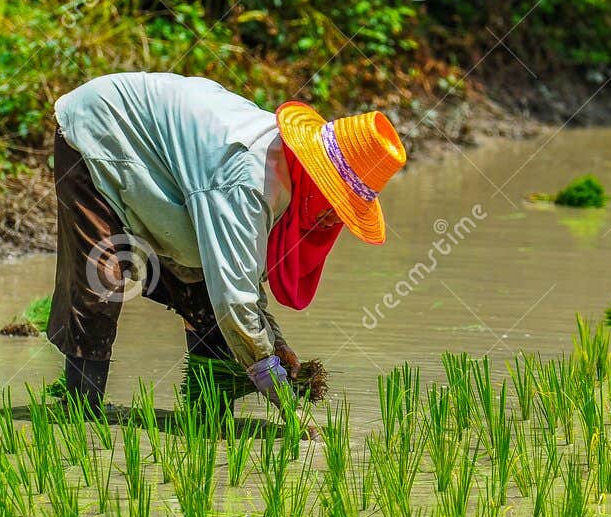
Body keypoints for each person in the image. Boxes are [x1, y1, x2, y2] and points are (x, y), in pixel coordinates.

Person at [45, 71, 406, 409]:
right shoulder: (249, 181)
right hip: (100, 126)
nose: (333, 218)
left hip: (167, 163)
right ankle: (81, 409)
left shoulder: (285, 175)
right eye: (335, 202)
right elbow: (235, 299)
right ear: (318, 177)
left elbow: (238, 275)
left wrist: (275, 343)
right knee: (102, 278)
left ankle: (206, 412)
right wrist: (277, 386)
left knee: (204, 288)